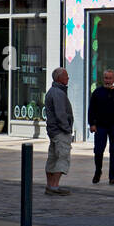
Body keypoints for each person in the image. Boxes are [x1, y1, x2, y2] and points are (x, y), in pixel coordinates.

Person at [89, 69, 114, 186]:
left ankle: (113, 178)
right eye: (106, 78)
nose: (107, 81)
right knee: (98, 150)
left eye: (110, 78)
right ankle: (98, 171)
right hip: (100, 126)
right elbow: (91, 110)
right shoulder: (97, 93)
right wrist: (92, 124)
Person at [43, 67, 73, 196]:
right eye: (66, 76)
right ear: (59, 78)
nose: (68, 78)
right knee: (62, 157)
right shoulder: (58, 93)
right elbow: (60, 114)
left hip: (54, 131)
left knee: (53, 157)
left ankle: (50, 185)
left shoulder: (53, 91)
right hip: (60, 131)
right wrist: (67, 129)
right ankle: (54, 186)